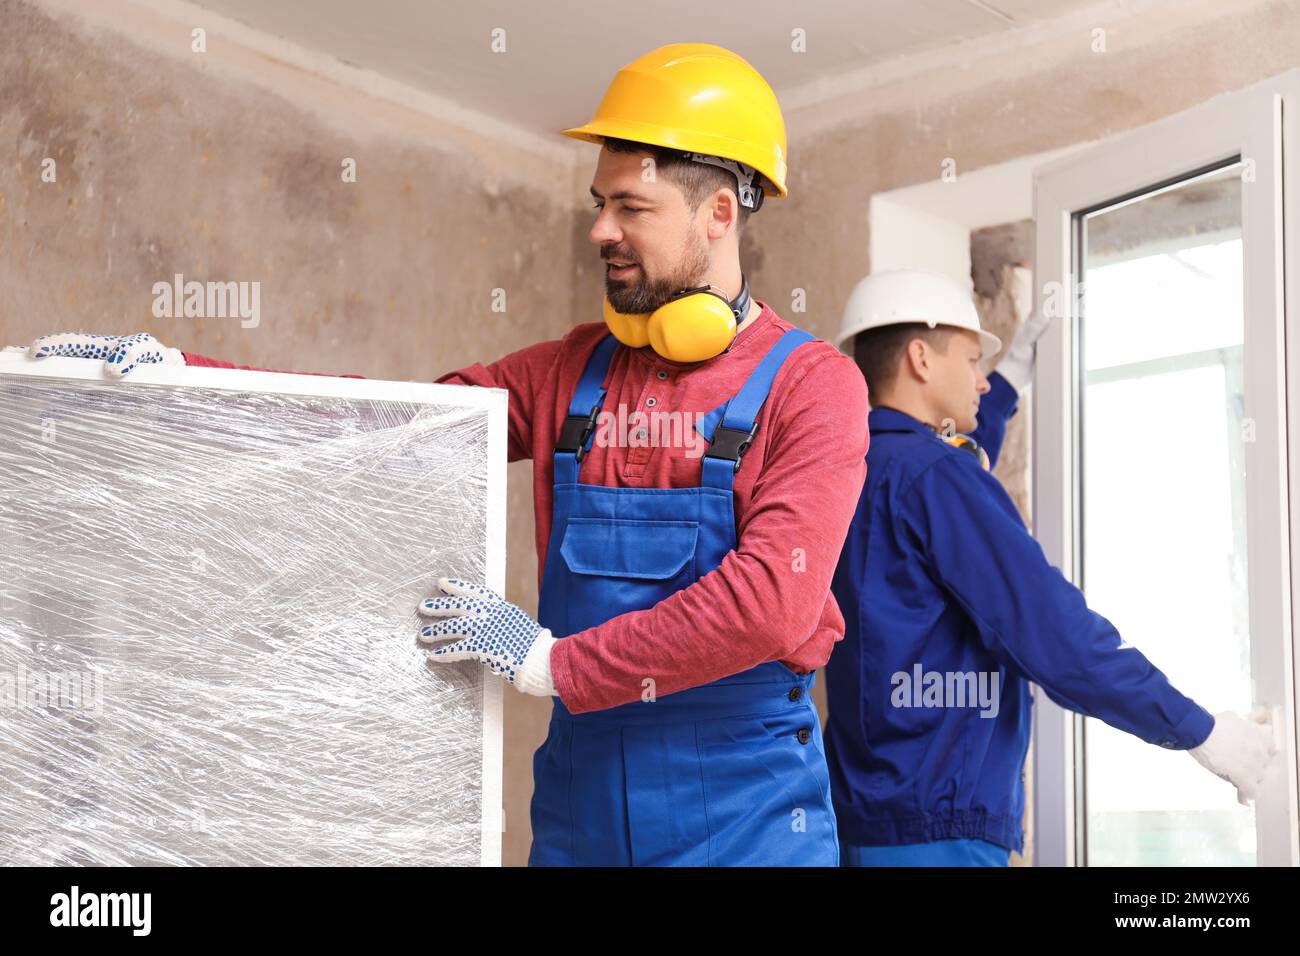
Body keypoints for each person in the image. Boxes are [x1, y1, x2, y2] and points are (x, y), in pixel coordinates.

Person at [16, 44, 870, 867]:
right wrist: (186, 380)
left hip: (747, 803)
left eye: (631, 208)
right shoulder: (569, 371)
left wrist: (551, 663)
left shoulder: (812, 387)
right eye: (598, 201)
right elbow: (394, 429)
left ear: (721, 211)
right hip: (581, 795)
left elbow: (771, 602)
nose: (599, 228)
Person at [825, 268, 1278, 867]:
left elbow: (926, 474)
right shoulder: (938, 479)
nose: (982, 382)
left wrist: (1014, 377)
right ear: (920, 359)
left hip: (859, 822)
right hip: (939, 831)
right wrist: (1200, 731)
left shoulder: (843, 471)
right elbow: (1052, 633)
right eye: (970, 359)